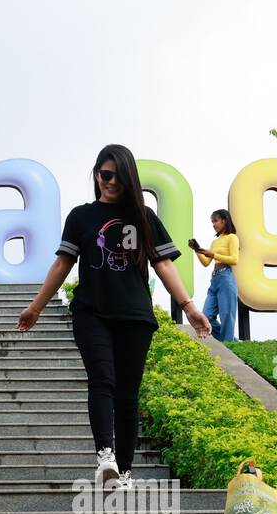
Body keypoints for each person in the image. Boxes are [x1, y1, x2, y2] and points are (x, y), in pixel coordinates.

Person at [17, 144, 211, 491]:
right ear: (96, 175)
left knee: (128, 394)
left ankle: (124, 472)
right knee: (102, 379)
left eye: (118, 176)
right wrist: (36, 306)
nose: (111, 182)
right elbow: (63, 263)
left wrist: (189, 307)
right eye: (105, 175)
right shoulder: (81, 217)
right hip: (92, 311)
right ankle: (104, 455)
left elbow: (164, 264)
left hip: (135, 315)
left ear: (129, 179)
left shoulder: (144, 217)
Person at [194, 209, 240, 342]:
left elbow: (234, 260)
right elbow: (206, 263)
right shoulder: (215, 242)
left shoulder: (232, 237)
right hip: (214, 279)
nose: (213, 224)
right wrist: (197, 250)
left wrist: (214, 255)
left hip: (226, 276)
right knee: (206, 316)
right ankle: (232, 342)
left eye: (215, 221)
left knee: (227, 315)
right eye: (212, 222)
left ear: (224, 220)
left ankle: (229, 343)